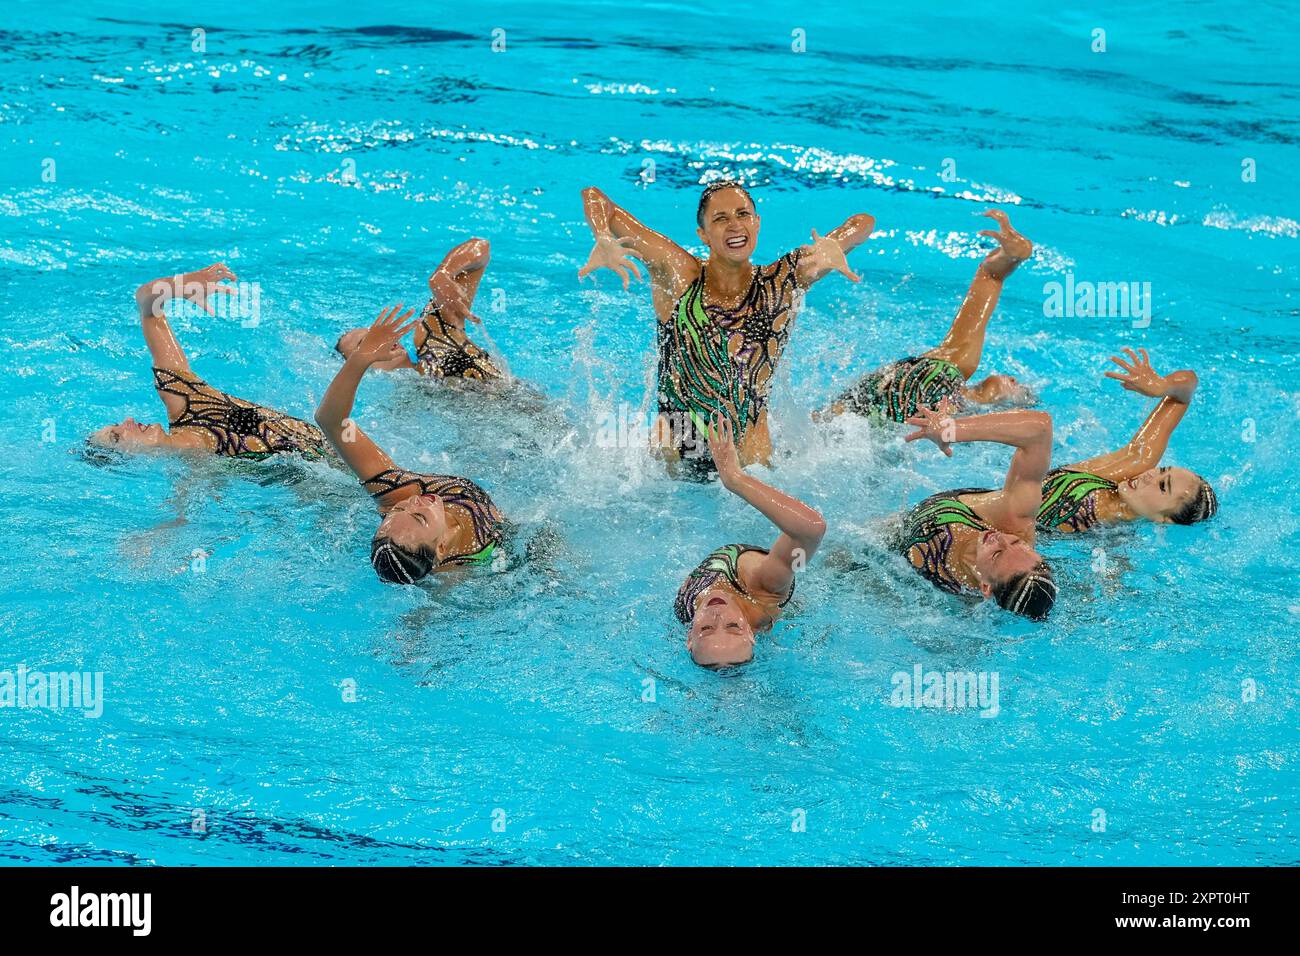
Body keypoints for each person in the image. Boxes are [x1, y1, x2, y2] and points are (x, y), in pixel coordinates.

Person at [579, 179, 873, 474]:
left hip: (751, 464)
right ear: (703, 235)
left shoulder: (782, 281)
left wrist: (834, 244)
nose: (734, 225)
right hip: (674, 464)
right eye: (720, 219)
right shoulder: (680, 274)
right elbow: (595, 195)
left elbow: (863, 221)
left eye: (742, 214)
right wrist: (602, 237)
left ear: (757, 223)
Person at [315, 306, 506, 585]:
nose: (414, 502)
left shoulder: (396, 491)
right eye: (419, 517)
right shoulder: (466, 562)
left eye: (397, 511)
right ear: (440, 549)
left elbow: (330, 420)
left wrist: (360, 359)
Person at [89, 263, 327, 459]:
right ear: (130, 460)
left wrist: (178, 285)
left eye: (116, 424)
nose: (127, 420)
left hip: (341, 446)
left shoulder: (185, 397)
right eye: (117, 436)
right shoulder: (197, 475)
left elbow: (146, 303)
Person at [822, 210, 1034, 424]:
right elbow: (991, 275)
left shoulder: (956, 362)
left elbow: (991, 275)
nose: (1014, 379)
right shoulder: (956, 364)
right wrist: (1013, 255)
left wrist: (1013, 257)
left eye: (1019, 388)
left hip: (874, 403)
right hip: (880, 408)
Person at [677, 414, 827, 667]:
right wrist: (735, 478)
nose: (717, 615)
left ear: (689, 639)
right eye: (733, 626)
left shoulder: (684, 614)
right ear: (750, 632)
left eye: (706, 629)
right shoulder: (763, 590)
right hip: (771, 530)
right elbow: (810, 530)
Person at [894, 408, 1058, 620]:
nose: (1000, 537)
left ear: (985, 587)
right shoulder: (1013, 518)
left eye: (997, 554)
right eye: (1017, 543)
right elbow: (1040, 429)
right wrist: (950, 430)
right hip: (889, 525)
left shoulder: (949, 602)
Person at [1037, 348, 1217, 532]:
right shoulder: (1131, 464)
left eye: (1163, 486)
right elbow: (1186, 388)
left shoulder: (1110, 546)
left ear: (1164, 519)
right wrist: (1163, 386)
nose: (1150, 475)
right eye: (1162, 470)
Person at [334, 238, 503, 381]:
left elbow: (481, 247)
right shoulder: (400, 408)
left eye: (379, 333)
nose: (383, 339)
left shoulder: (435, 335)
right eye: (365, 342)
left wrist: (443, 273)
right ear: (357, 368)